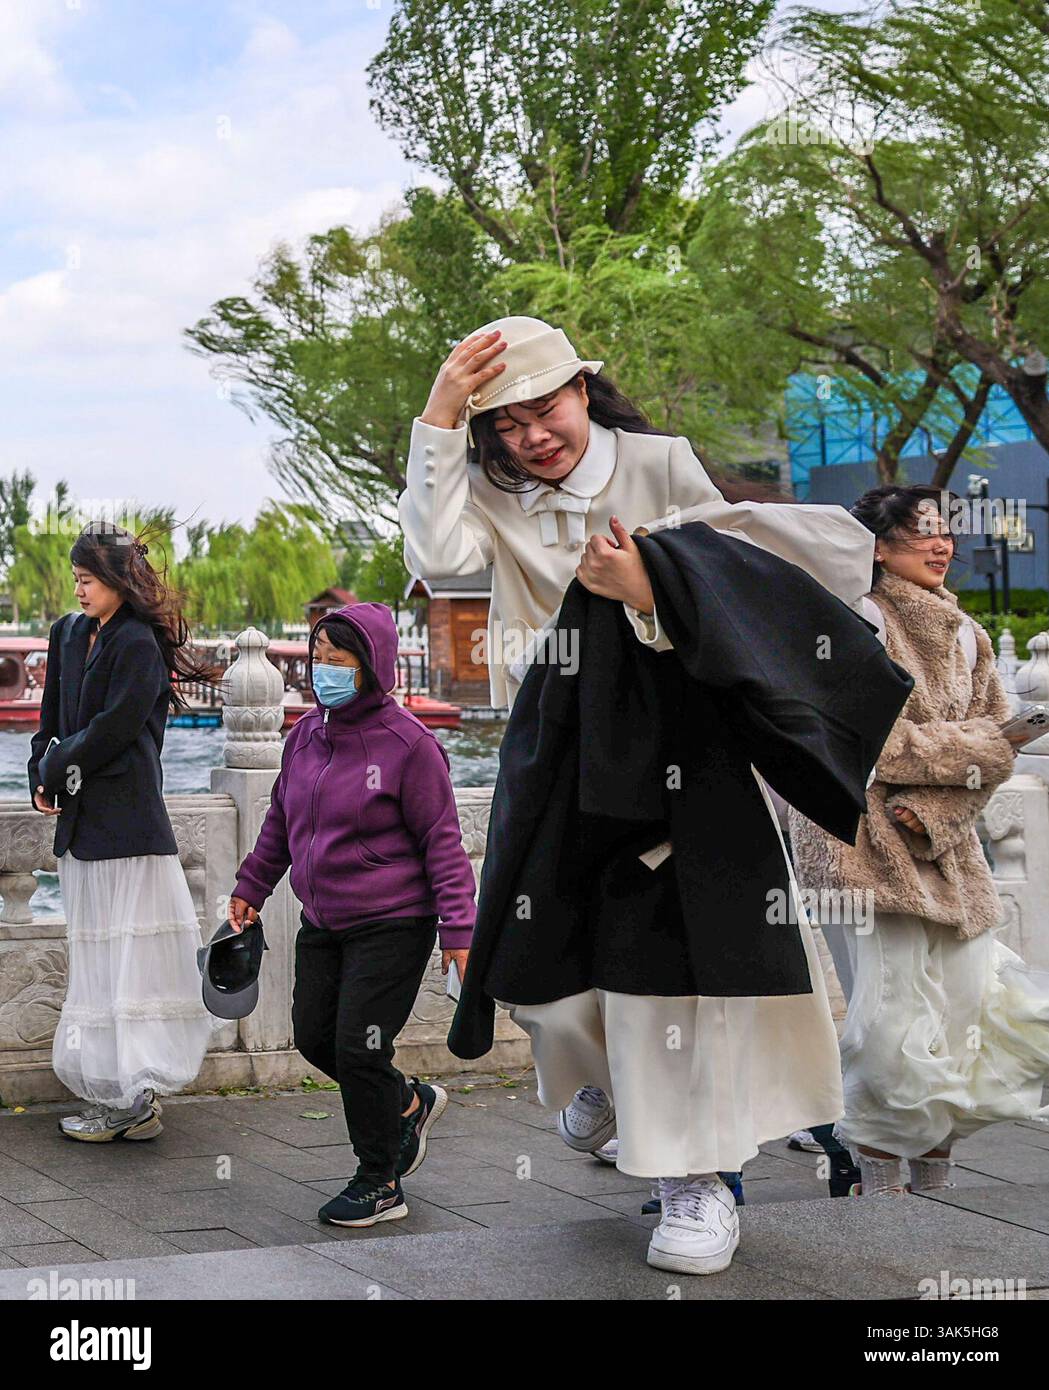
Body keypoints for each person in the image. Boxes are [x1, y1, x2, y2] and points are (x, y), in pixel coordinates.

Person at [400, 316, 890, 1272]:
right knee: (540, 964)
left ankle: (696, 1186)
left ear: (584, 390)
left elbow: (735, 588)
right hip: (555, 745)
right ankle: (598, 1083)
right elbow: (441, 566)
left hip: (682, 748)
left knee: (682, 976)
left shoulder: (659, 462)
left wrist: (646, 590)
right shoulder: (486, 495)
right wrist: (439, 415)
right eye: (503, 426)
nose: (531, 438)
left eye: (544, 411)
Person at [788, 485, 1049, 1197]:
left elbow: (999, 747)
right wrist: (982, 743)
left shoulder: (965, 632)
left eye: (944, 533)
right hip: (857, 844)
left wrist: (935, 806)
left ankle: (935, 1179)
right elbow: (852, 741)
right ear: (877, 545)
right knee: (890, 1016)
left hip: (947, 847)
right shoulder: (856, 619)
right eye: (919, 532)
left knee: (965, 1009)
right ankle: (878, 1181)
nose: (940, 545)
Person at [227, 602, 475, 1228]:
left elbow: (443, 843)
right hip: (325, 921)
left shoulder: (409, 746)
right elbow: (281, 821)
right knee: (314, 1037)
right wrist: (251, 887)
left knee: (360, 1047)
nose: (322, 672)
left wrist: (459, 933)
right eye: (317, 660)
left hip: (393, 921)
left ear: (371, 667)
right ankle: (406, 1103)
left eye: (338, 661)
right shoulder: (307, 734)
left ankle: (380, 1180)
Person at [28, 523, 221, 1141]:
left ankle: (131, 1098)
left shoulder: (138, 644)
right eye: (76, 580)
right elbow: (51, 720)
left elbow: (113, 731)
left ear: (116, 581)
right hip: (81, 828)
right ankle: (122, 1097)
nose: (79, 590)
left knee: (129, 965)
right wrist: (40, 769)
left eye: (88, 580)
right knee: (97, 960)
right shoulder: (68, 633)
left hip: (130, 826)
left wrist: (58, 767)